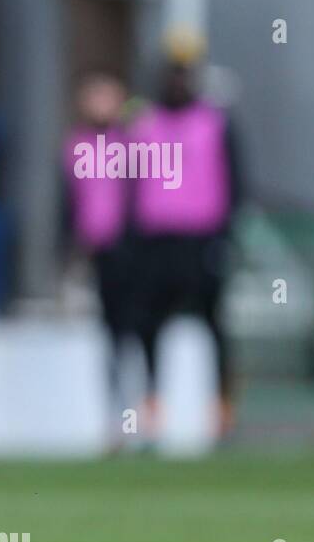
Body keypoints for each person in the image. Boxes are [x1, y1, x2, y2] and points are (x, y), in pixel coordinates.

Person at [127, 46, 243, 439]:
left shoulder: (215, 123)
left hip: (201, 239)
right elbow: (129, 182)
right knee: (148, 326)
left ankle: (221, 413)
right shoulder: (144, 122)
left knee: (214, 324)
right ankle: (153, 410)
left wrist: (226, 235)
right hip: (156, 239)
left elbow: (235, 181)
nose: (177, 83)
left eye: (183, 75)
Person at [60, 71, 139, 440]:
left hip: (134, 252)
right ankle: (117, 419)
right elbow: (69, 204)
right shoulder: (76, 145)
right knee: (111, 335)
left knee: (136, 333)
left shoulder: (134, 143)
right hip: (101, 253)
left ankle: (142, 413)